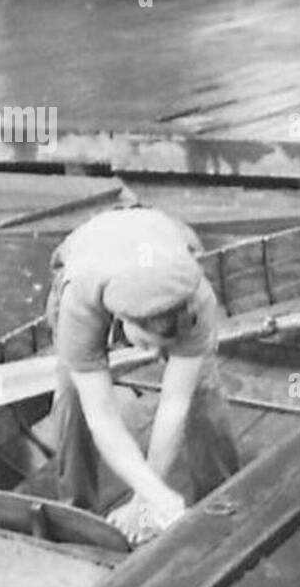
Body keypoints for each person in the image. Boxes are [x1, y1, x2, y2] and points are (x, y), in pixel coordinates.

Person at [46, 206, 240, 542]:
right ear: (121, 320)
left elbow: (173, 406)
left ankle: (220, 496)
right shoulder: (80, 301)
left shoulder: (197, 300)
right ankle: (76, 513)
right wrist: (156, 494)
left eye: (159, 348)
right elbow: (102, 418)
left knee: (202, 389)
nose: (151, 355)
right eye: (145, 343)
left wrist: (143, 501)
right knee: (72, 395)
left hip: (164, 242)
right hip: (89, 259)